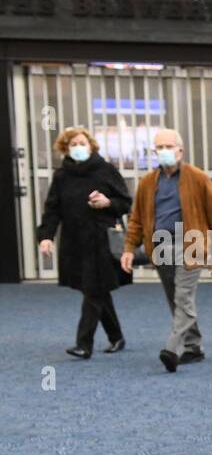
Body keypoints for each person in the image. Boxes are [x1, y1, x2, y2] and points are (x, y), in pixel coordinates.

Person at [121, 128, 212, 373]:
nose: (165, 151)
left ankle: (171, 348)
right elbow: (137, 219)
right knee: (174, 297)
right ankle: (194, 346)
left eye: (169, 146)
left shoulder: (198, 178)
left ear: (180, 151)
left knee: (183, 297)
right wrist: (129, 248)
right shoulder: (148, 182)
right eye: (160, 147)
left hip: (191, 244)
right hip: (160, 245)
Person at [36, 126, 133, 359]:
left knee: (93, 289)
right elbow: (53, 209)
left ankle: (84, 344)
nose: (78, 147)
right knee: (95, 290)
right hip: (74, 242)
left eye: (82, 143)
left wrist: (107, 202)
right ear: (65, 149)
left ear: (91, 146)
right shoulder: (61, 176)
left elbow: (125, 203)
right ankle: (116, 336)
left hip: (100, 239)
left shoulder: (106, 170)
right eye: (73, 144)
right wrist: (46, 236)